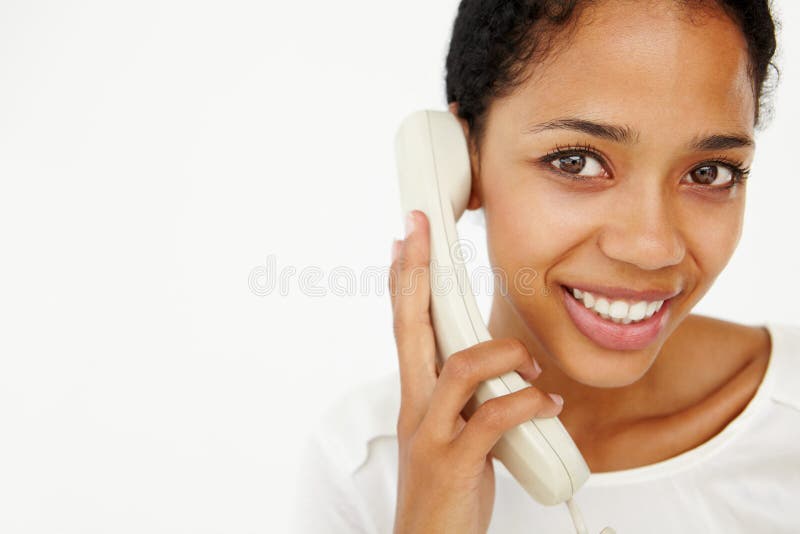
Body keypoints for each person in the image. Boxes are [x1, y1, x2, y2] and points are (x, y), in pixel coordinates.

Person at [292, 1, 800, 532]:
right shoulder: (364, 466)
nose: (653, 246)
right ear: (460, 162)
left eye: (710, 172)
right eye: (576, 162)